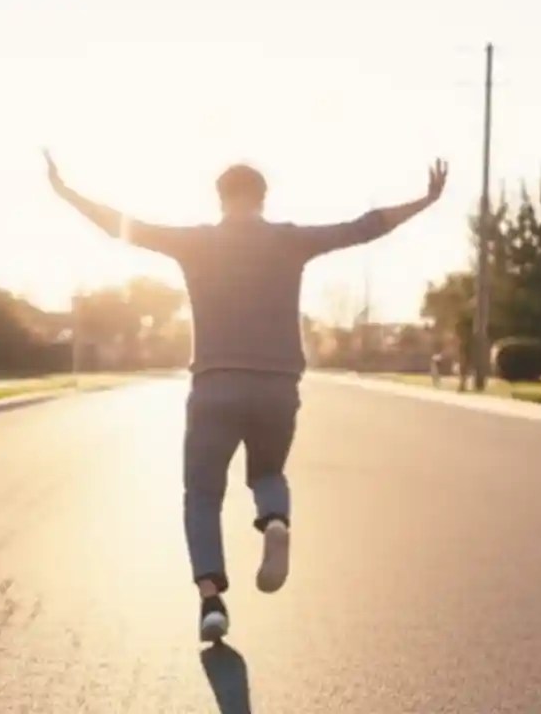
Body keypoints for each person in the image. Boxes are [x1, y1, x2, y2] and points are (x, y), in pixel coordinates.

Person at [45, 151, 449, 642]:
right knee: (268, 473)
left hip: (215, 383)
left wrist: (65, 191)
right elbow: (363, 227)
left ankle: (212, 602)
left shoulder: (194, 242)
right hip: (278, 385)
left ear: (220, 199)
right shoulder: (289, 240)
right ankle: (274, 519)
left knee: (202, 495)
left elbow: (121, 226)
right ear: (263, 198)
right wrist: (426, 200)